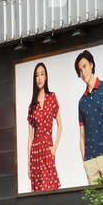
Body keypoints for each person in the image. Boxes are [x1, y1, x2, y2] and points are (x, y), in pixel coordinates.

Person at [76, 50, 103, 184]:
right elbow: (82, 134)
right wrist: (85, 160)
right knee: (94, 203)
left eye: (85, 67)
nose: (83, 73)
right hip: (90, 161)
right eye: (80, 70)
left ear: (91, 65)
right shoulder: (82, 101)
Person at [27, 61, 62, 191]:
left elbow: (60, 124)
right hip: (35, 151)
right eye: (37, 75)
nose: (40, 78)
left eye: (42, 74)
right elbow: (30, 137)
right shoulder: (32, 106)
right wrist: (29, 164)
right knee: (39, 190)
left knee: (51, 186)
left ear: (46, 77)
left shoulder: (52, 97)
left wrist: (55, 147)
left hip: (48, 147)